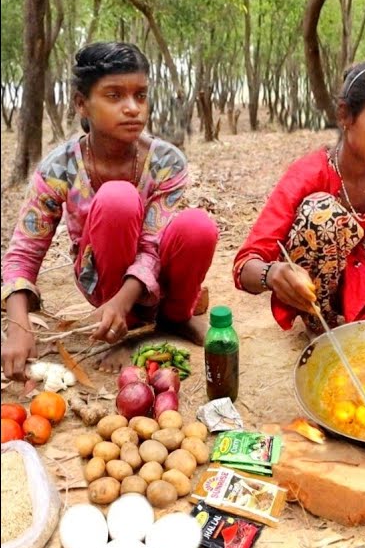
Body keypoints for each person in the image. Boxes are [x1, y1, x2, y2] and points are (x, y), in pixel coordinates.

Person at [1, 42, 219, 378]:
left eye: (140, 96)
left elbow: (153, 245)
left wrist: (124, 299)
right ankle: (120, 328)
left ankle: (175, 317)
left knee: (198, 226)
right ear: (82, 104)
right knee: (118, 199)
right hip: (103, 281)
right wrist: (18, 326)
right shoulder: (59, 169)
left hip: (153, 273)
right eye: (114, 96)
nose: (132, 108)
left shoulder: (167, 162)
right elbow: (23, 254)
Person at [233, 62, 365, 332]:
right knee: (320, 213)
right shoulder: (308, 174)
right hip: (324, 308)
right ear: (345, 115)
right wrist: (272, 274)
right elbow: (245, 264)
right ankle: (325, 327)